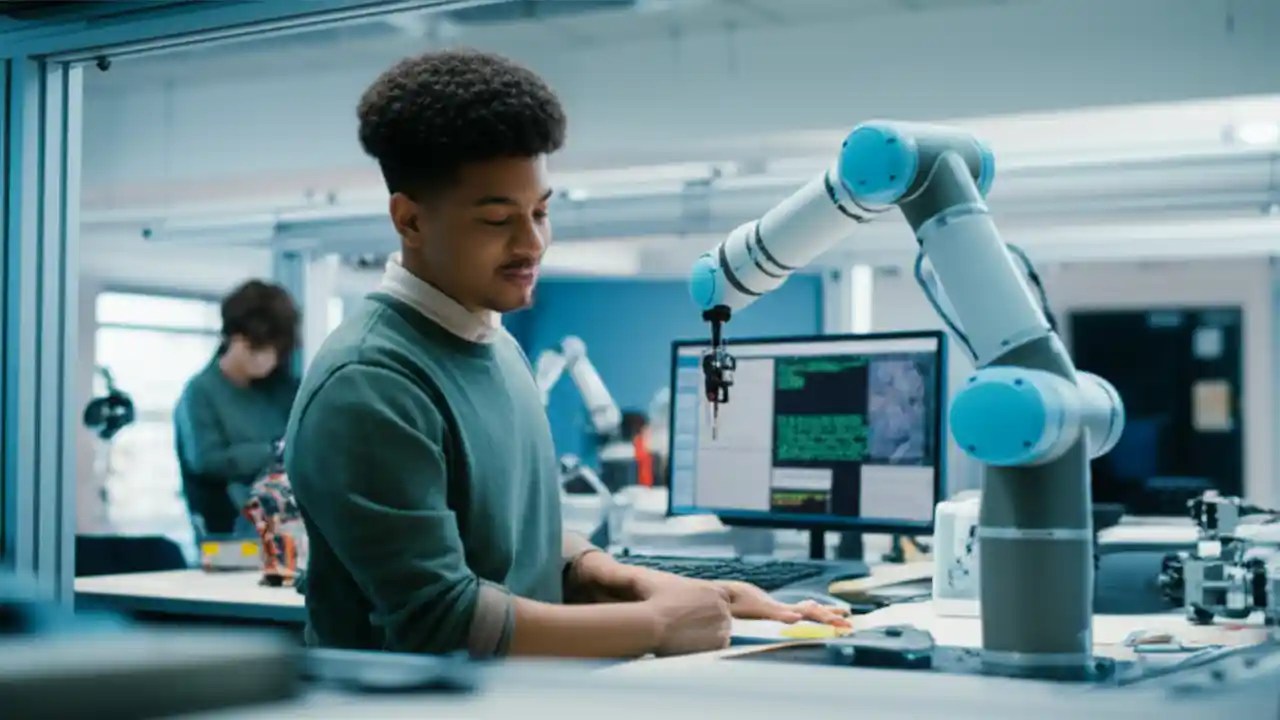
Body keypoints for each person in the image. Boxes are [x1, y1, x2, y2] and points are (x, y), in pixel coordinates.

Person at [284, 48, 848, 660]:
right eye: (498, 218)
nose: (532, 243)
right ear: (411, 221)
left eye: (542, 211)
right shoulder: (370, 383)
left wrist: (643, 583)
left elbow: (510, 539)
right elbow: (440, 621)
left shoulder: (497, 347)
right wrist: (658, 625)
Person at [175, 280, 300, 538]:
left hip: (286, 531)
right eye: (255, 348)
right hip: (228, 536)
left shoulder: (283, 389)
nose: (264, 359)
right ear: (231, 336)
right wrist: (274, 452)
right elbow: (207, 461)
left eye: (273, 351)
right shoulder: (200, 393)